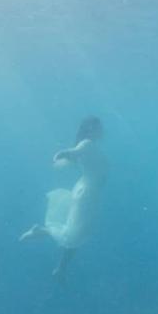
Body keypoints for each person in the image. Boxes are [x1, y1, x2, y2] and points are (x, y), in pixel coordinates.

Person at [20, 116, 108, 281]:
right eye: (99, 127)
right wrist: (61, 154)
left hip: (91, 193)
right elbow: (73, 153)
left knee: (78, 231)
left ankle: (60, 267)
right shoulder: (87, 144)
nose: (103, 130)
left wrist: (65, 155)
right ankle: (43, 233)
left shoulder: (91, 145)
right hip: (87, 194)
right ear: (91, 129)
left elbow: (75, 156)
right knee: (76, 232)